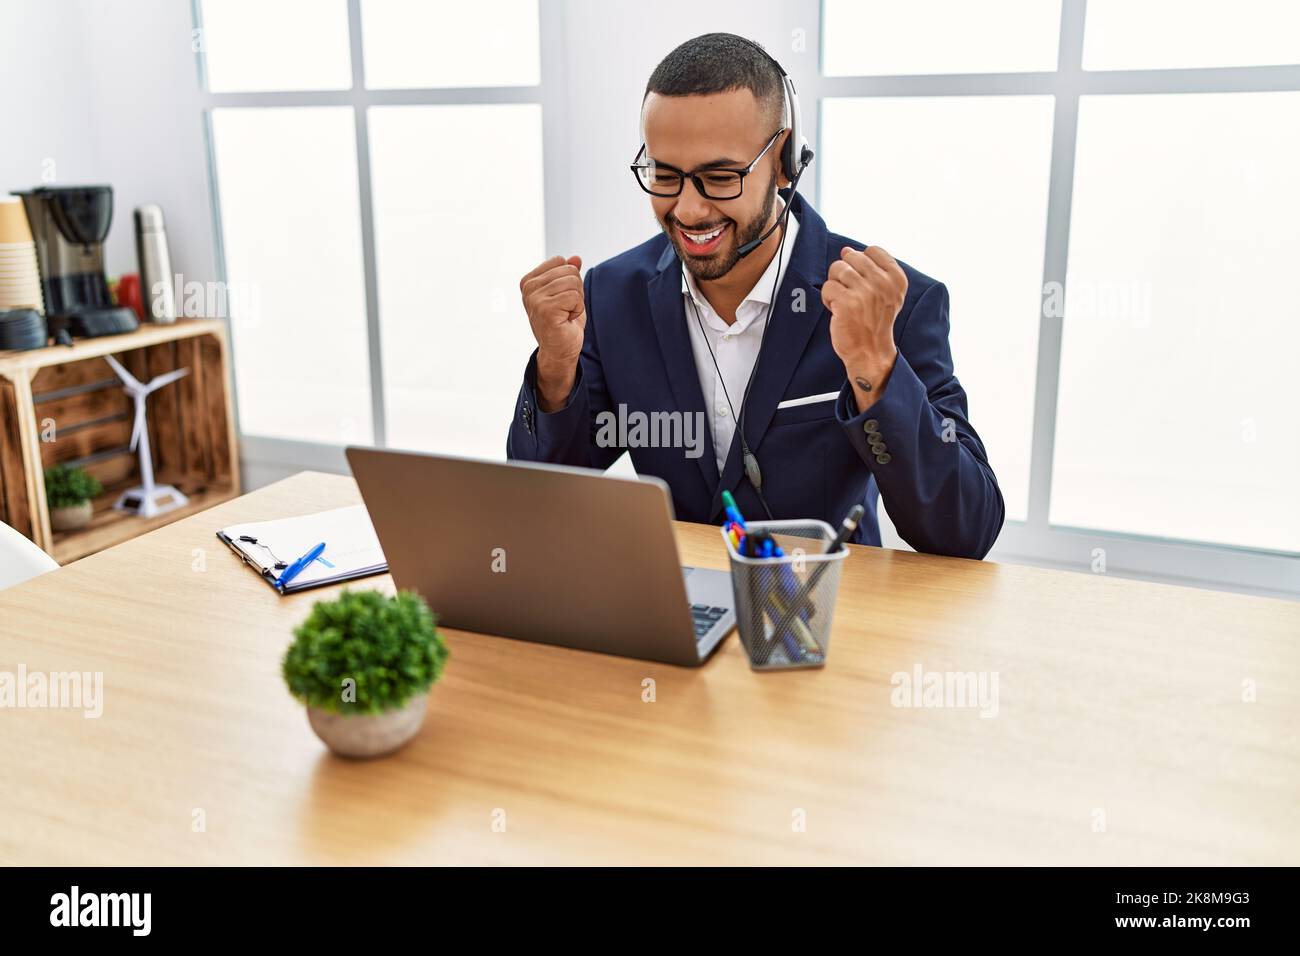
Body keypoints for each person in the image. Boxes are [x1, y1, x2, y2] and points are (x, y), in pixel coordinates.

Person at [507, 33, 1003, 558]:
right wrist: (556, 373)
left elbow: (965, 530)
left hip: (831, 618)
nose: (689, 210)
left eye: (720, 177)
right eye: (665, 176)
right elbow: (542, 502)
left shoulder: (892, 307)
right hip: (680, 613)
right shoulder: (611, 296)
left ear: (785, 162)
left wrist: (875, 367)